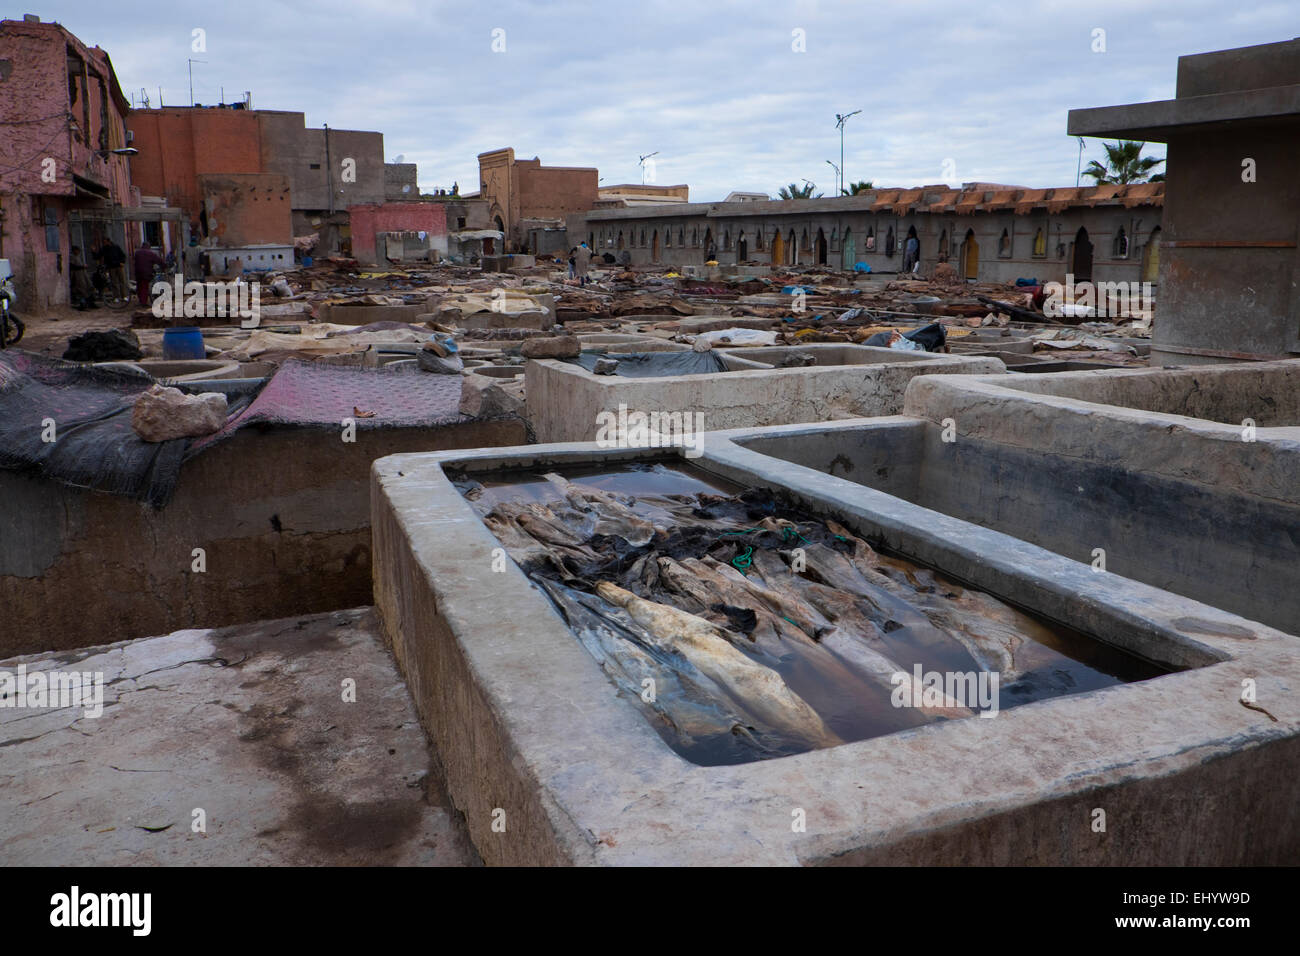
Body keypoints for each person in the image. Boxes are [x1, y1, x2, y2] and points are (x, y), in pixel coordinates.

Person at [133, 241, 168, 307]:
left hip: (137, 272)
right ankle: (143, 303)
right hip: (146, 273)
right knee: (144, 287)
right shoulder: (150, 253)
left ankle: (141, 300)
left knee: (140, 287)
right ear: (149, 247)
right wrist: (164, 266)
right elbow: (159, 261)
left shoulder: (137, 253)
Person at [69, 246, 94, 310]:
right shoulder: (72, 257)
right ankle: (82, 304)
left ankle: (90, 303)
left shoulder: (77, 257)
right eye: (77, 250)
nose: (78, 252)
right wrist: (81, 267)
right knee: (81, 290)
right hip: (77, 275)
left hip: (82, 275)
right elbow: (72, 266)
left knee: (89, 287)